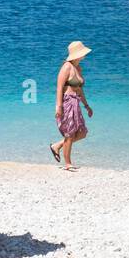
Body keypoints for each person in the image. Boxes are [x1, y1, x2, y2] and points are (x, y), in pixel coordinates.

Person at [49, 41, 92, 170]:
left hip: (76, 102)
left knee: (82, 132)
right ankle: (68, 163)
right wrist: (59, 106)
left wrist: (86, 105)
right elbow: (59, 87)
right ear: (77, 54)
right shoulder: (67, 67)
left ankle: (57, 146)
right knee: (69, 133)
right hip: (67, 102)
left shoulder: (78, 68)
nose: (84, 55)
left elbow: (79, 89)